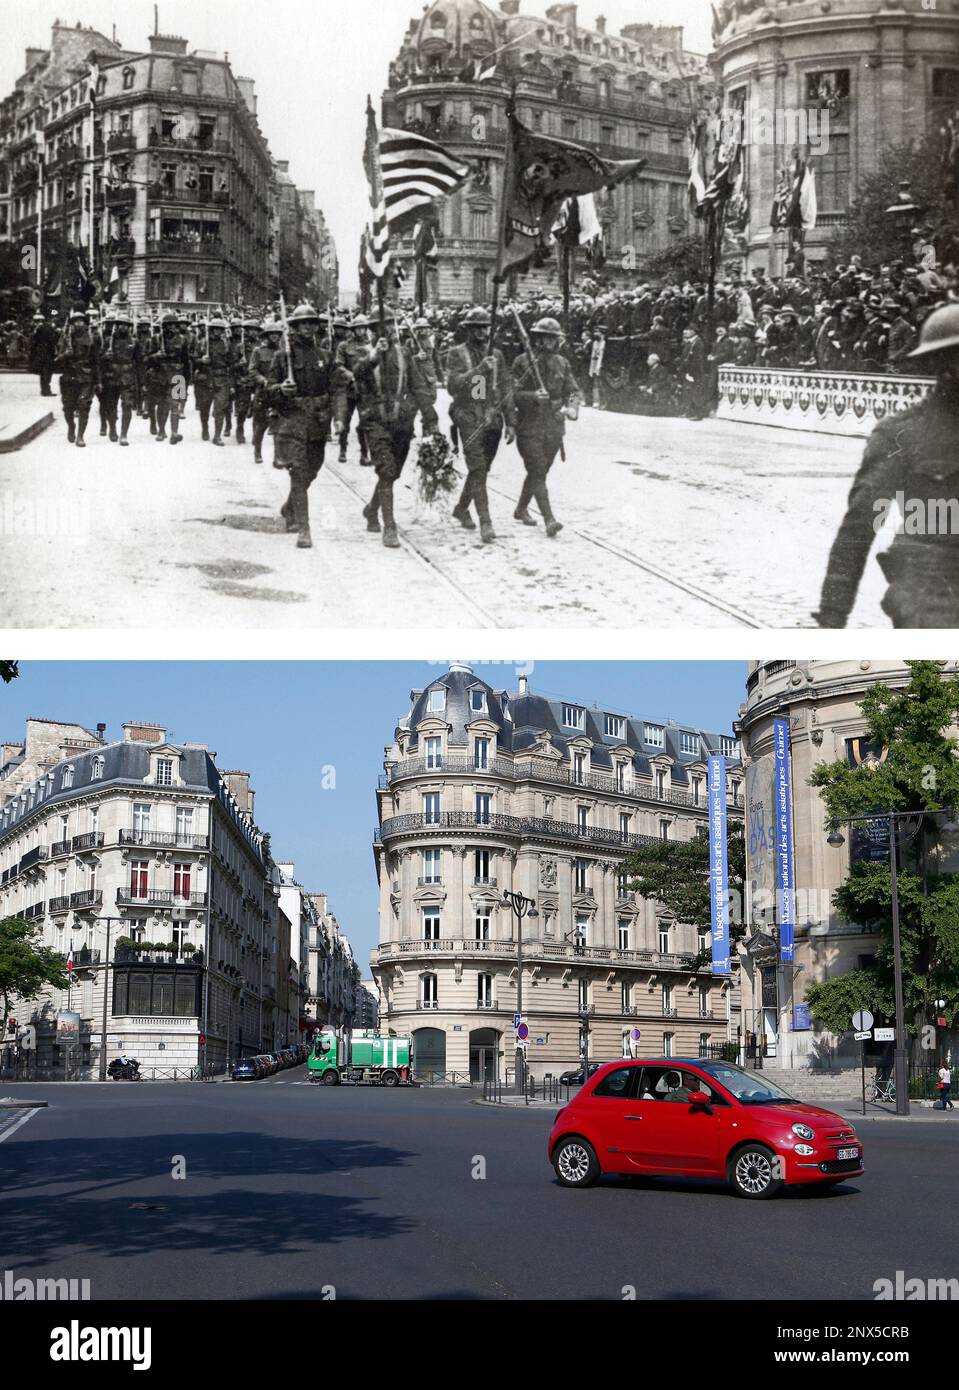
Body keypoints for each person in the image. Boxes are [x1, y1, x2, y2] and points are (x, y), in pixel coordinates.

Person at [815, 303, 959, 627]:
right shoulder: (901, 434)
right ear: (942, 362)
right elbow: (859, 526)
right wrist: (832, 616)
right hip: (933, 591)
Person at [352, 307, 428, 550]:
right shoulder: (364, 353)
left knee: (393, 473)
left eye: (387, 326)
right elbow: (355, 375)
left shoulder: (406, 352)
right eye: (377, 328)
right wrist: (374, 356)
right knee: (386, 470)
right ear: (372, 331)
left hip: (402, 422)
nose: (384, 331)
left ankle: (372, 509)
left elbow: (419, 385)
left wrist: (428, 414)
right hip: (375, 421)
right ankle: (390, 526)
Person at [265, 302, 337, 550]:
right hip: (292, 419)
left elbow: (333, 387)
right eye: (302, 324)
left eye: (311, 323)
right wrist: (281, 390)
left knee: (312, 470)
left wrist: (335, 415)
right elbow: (267, 390)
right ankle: (304, 529)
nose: (307, 327)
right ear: (294, 327)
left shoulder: (325, 355)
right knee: (298, 471)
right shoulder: (283, 355)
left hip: (317, 421)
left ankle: (289, 507)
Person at [445, 306, 515, 544]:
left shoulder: (497, 354)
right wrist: (478, 371)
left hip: (492, 418)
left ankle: (462, 507)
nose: (481, 332)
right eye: (476, 328)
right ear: (468, 330)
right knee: (476, 467)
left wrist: (511, 422)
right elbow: (453, 386)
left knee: (482, 469)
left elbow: (506, 387)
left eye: (485, 328)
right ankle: (486, 522)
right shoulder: (457, 353)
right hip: (467, 416)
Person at [511, 316, 581, 537]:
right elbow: (511, 395)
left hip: (553, 427)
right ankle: (549, 519)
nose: (550, 342)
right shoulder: (522, 362)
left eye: (554, 338)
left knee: (539, 471)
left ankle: (521, 509)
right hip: (529, 425)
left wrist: (572, 408)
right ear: (537, 338)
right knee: (538, 470)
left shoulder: (562, 362)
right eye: (546, 338)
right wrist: (532, 396)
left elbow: (573, 391)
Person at [55, 309, 99, 447]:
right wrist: (65, 355)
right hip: (69, 377)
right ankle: (71, 427)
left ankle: (80, 436)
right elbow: (56, 360)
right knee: (68, 408)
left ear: (85, 324)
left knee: (83, 405)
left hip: (86, 377)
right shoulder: (65, 338)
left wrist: (99, 381)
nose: (78, 324)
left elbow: (96, 361)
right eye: (76, 322)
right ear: (72, 324)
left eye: (81, 321)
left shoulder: (91, 340)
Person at [98, 312, 138, 445]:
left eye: (126, 325)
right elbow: (99, 360)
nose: (123, 327)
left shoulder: (133, 341)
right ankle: (113, 429)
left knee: (127, 405)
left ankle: (124, 434)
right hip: (112, 376)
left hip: (128, 376)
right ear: (116, 325)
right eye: (121, 324)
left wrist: (140, 381)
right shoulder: (108, 341)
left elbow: (139, 362)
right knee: (111, 405)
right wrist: (106, 356)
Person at [29, 312, 57, 397]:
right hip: (47, 353)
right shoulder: (49, 328)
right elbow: (52, 341)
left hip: (40, 353)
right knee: (47, 373)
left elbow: (34, 341)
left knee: (42, 373)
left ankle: (43, 390)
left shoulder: (39, 328)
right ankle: (46, 391)